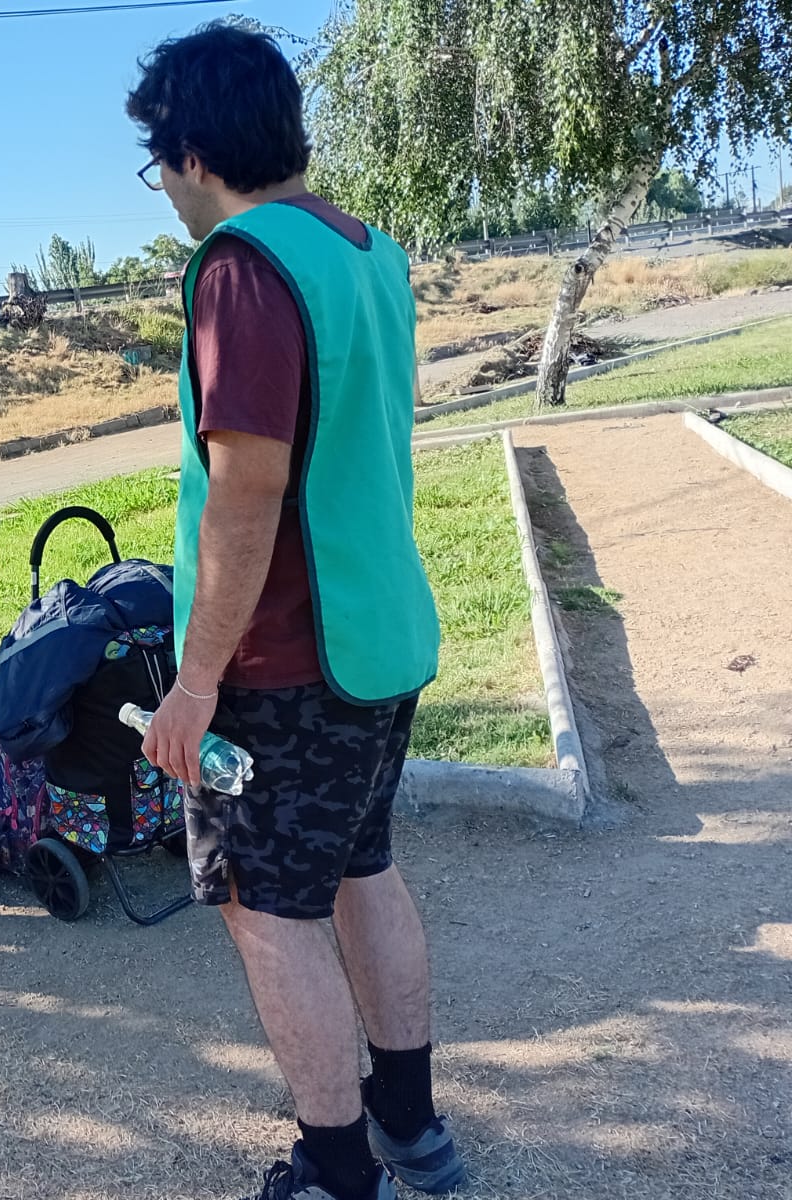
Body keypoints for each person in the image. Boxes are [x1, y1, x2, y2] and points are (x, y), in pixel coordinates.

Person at [127, 26, 468, 1200]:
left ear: (190, 149)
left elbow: (247, 488)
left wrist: (193, 682)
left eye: (156, 164)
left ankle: (333, 1168)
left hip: (282, 663)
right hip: (378, 636)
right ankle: (410, 1128)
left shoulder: (238, 265)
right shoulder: (365, 251)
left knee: (267, 908)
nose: (163, 191)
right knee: (363, 869)